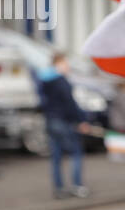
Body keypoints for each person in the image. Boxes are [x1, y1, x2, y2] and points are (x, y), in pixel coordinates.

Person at [36, 52, 91, 199]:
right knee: (76, 152)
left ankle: (58, 188)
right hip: (63, 121)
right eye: (65, 63)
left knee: (56, 156)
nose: (68, 66)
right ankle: (77, 185)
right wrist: (81, 120)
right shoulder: (61, 81)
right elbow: (70, 103)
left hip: (51, 121)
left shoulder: (43, 81)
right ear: (58, 63)